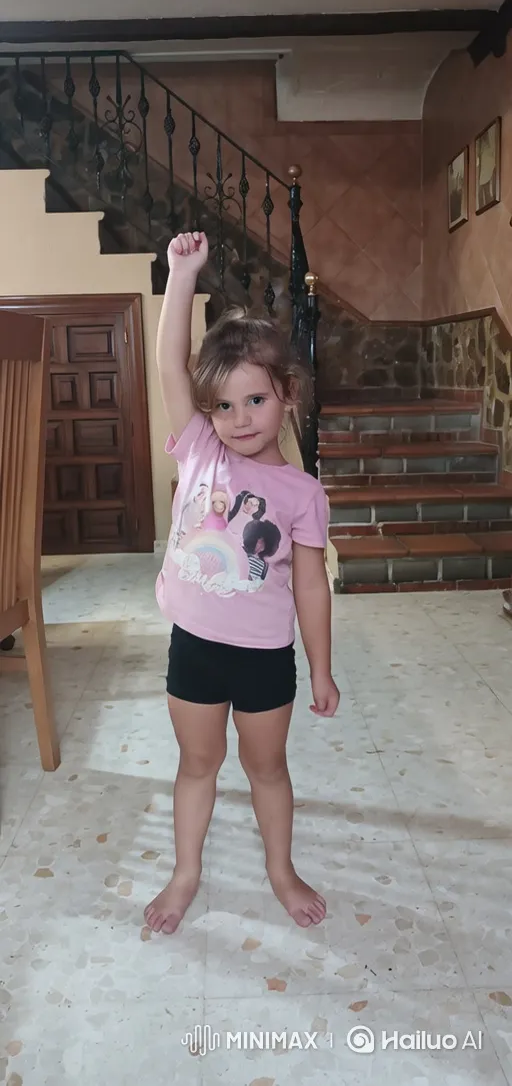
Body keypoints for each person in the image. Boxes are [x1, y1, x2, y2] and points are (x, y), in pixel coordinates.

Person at [145, 230, 339, 937]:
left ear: (286, 396)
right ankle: (186, 871)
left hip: (263, 658)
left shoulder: (299, 491)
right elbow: (170, 362)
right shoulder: (198, 447)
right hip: (193, 646)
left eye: (254, 401)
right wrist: (182, 274)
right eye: (222, 407)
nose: (236, 421)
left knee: (267, 770)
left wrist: (320, 669)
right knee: (198, 764)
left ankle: (280, 871)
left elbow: (311, 588)